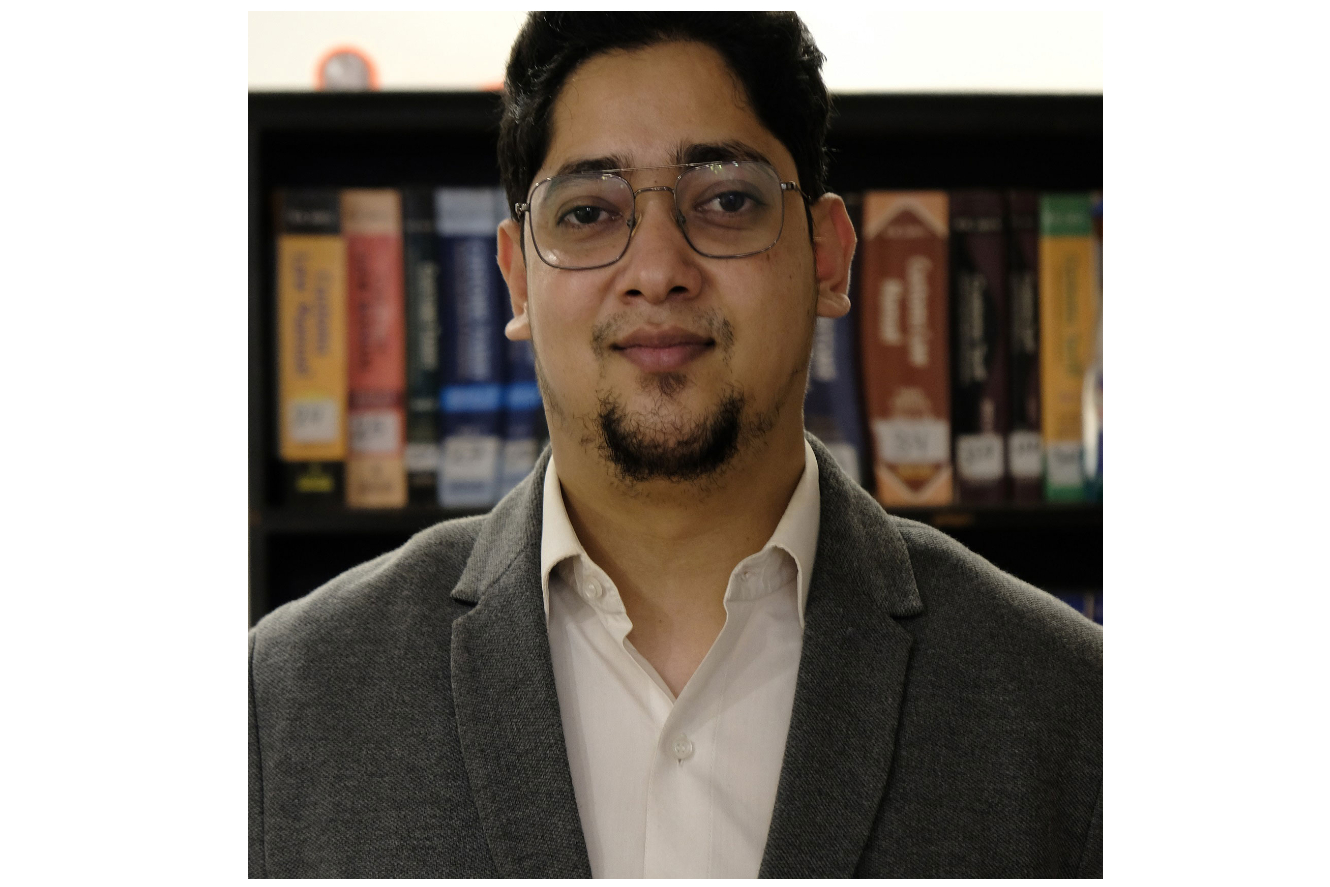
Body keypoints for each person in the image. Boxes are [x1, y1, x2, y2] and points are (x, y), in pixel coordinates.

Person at [248, 12, 1102, 878]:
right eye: (588, 212)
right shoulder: (282, 706)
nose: (657, 270)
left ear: (829, 257)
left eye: (727, 201)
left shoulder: (1073, 708)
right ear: (516, 278)